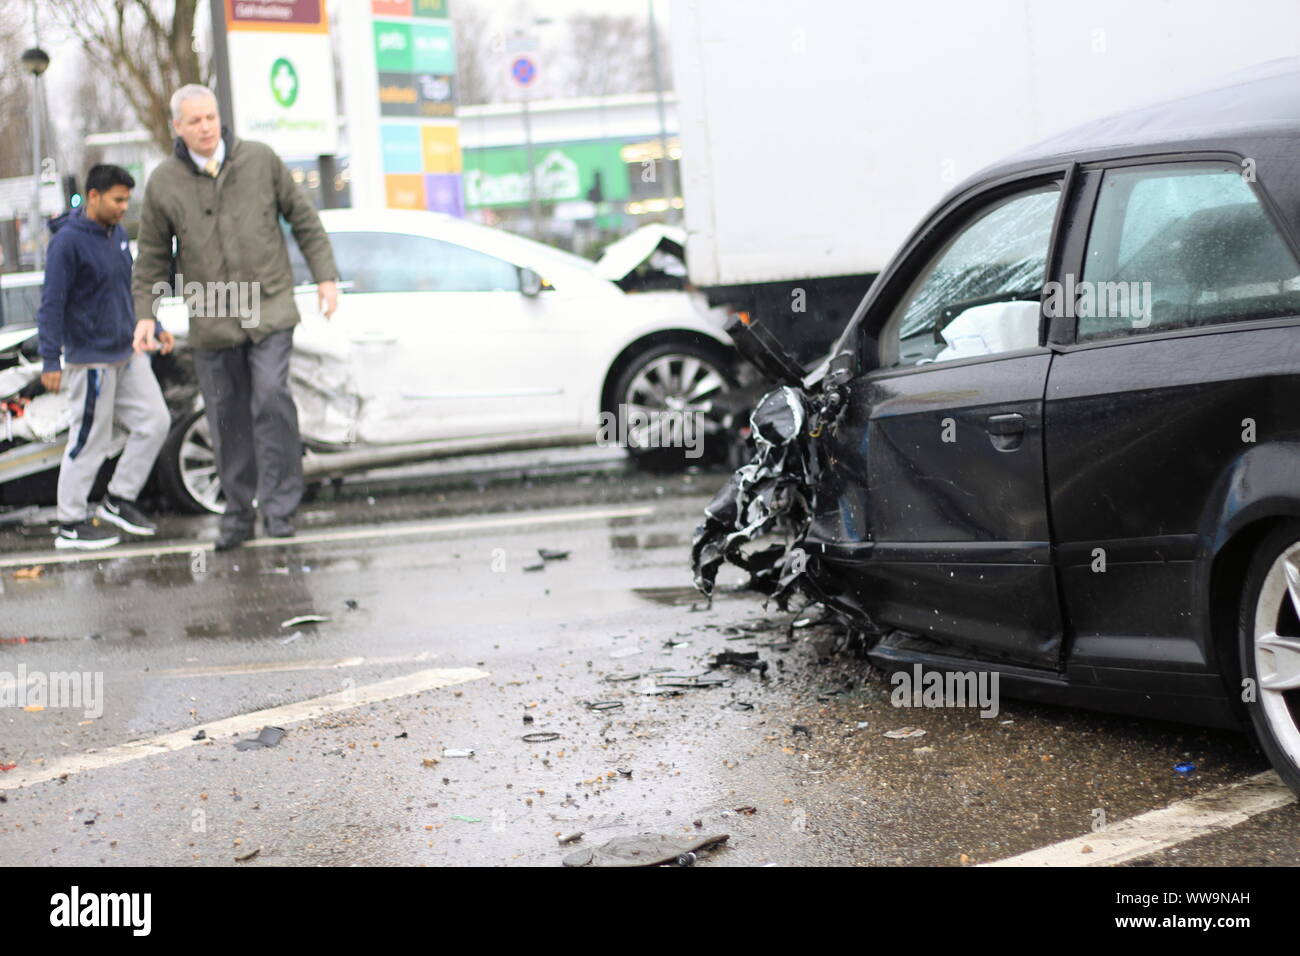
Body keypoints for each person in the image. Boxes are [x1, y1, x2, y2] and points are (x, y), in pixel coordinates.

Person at [132, 84, 339, 551]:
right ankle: (238, 514)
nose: (206, 127)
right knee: (226, 419)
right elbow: (151, 257)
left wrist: (325, 277)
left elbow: (303, 220)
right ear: (178, 128)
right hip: (212, 318)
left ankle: (281, 509)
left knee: (270, 399)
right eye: (195, 121)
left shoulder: (260, 159)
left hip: (269, 308)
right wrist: (145, 314)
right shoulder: (164, 182)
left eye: (211, 117)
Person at [37, 164, 173, 551]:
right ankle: (70, 522)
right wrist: (50, 359)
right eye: (118, 200)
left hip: (126, 351)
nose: (124, 207)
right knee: (89, 438)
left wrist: (153, 324)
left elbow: (128, 287)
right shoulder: (67, 242)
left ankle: (118, 499)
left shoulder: (114, 235)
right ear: (93, 197)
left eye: (128, 199)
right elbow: (51, 304)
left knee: (155, 421)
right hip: (91, 358)